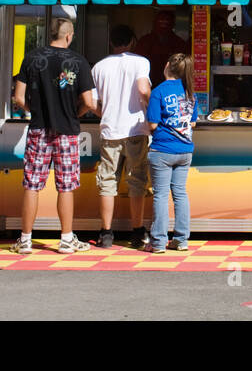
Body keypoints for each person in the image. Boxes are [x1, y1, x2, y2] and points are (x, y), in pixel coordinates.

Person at [10, 17, 95, 253]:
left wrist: (33, 109)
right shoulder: (78, 61)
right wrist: (75, 113)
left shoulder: (32, 58)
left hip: (38, 128)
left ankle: (25, 239)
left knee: (32, 184)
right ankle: (66, 239)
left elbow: (18, 97)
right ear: (69, 36)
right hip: (67, 130)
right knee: (65, 185)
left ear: (51, 35)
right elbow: (89, 101)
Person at [91, 23, 153, 248]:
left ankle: (106, 233)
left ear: (111, 43)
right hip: (136, 130)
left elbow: (90, 102)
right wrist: (150, 109)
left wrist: (105, 112)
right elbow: (144, 89)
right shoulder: (141, 62)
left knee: (107, 182)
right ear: (132, 42)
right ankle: (137, 231)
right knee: (137, 181)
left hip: (110, 131)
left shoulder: (98, 66)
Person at [145, 52, 195, 253]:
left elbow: (152, 123)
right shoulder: (190, 92)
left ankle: (158, 242)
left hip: (162, 150)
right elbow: (192, 122)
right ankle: (181, 240)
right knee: (180, 194)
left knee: (160, 195)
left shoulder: (158, 91)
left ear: (167, 66)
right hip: (185, 150)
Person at [135, 9, 190, 85]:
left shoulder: (179, 43)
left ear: (173, 24)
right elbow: (137, 64)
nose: (163, 25)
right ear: (154, 23)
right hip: (148, 83)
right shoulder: (145, 41)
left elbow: (185, 66)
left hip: (172, 85)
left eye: (167, 22)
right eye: (161, 21)